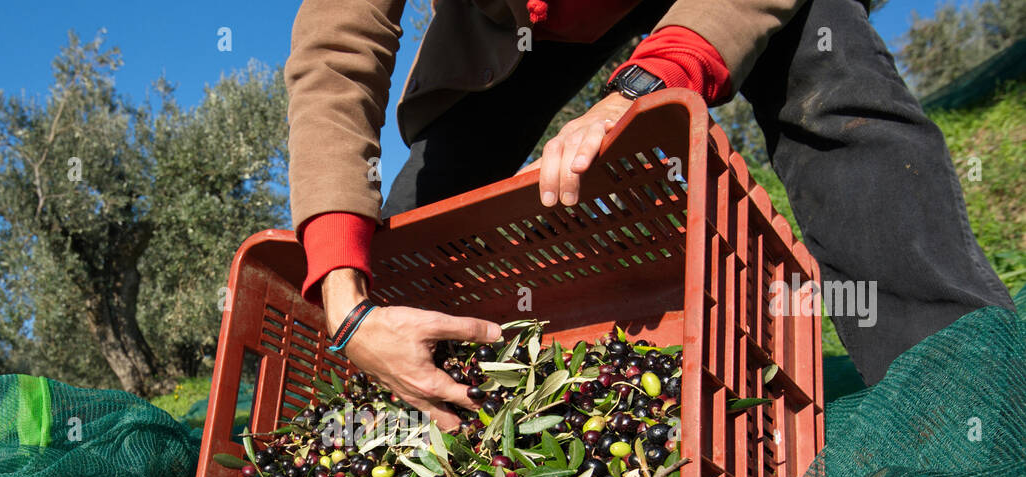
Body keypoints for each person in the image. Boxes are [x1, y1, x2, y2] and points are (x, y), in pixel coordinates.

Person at [284, 0, 1014, 429]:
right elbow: (336, 49)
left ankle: (960, 408)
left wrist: (651, 81)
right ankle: (397, 415)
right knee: (427, 213)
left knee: (826, 66)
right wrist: (347, 307)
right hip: (517, 28)